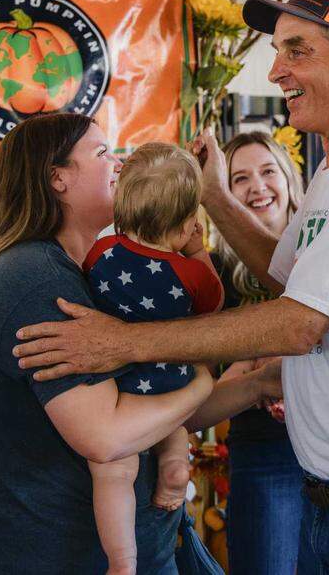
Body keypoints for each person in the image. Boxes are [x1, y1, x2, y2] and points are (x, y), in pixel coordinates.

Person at [13, 0, 329, 574]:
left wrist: (124, 342)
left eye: (297, 51)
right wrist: (215, 198)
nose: (277, 71)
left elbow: (301, 324)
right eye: (278, 51)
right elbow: (290, 279)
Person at [0, 113, 280, 574]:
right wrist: (202, 380)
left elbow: (153, 407)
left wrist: (259, 383)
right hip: (50, 559)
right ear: (58, 178)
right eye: (103, 152)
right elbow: (107, 435)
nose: (120, 164)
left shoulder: (89, 273)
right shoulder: (35, 279)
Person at [82, 142, 224, 573]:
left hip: (123, 385)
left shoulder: (101, 254)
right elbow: (213, 303)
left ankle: (122, 561)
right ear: (185, 226)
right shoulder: (189, 273)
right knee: (174, 428)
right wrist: (196, 252)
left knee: (113, 471)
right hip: (172, 380)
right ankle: (175, 466)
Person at [210, 131, 305, 575]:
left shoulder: (324, 251)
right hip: (268, 453)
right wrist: (254, 371)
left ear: (289, 180)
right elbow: (205, 391)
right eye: (240, 178)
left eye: (268, 172)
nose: (257, 187)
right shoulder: (215, 273)